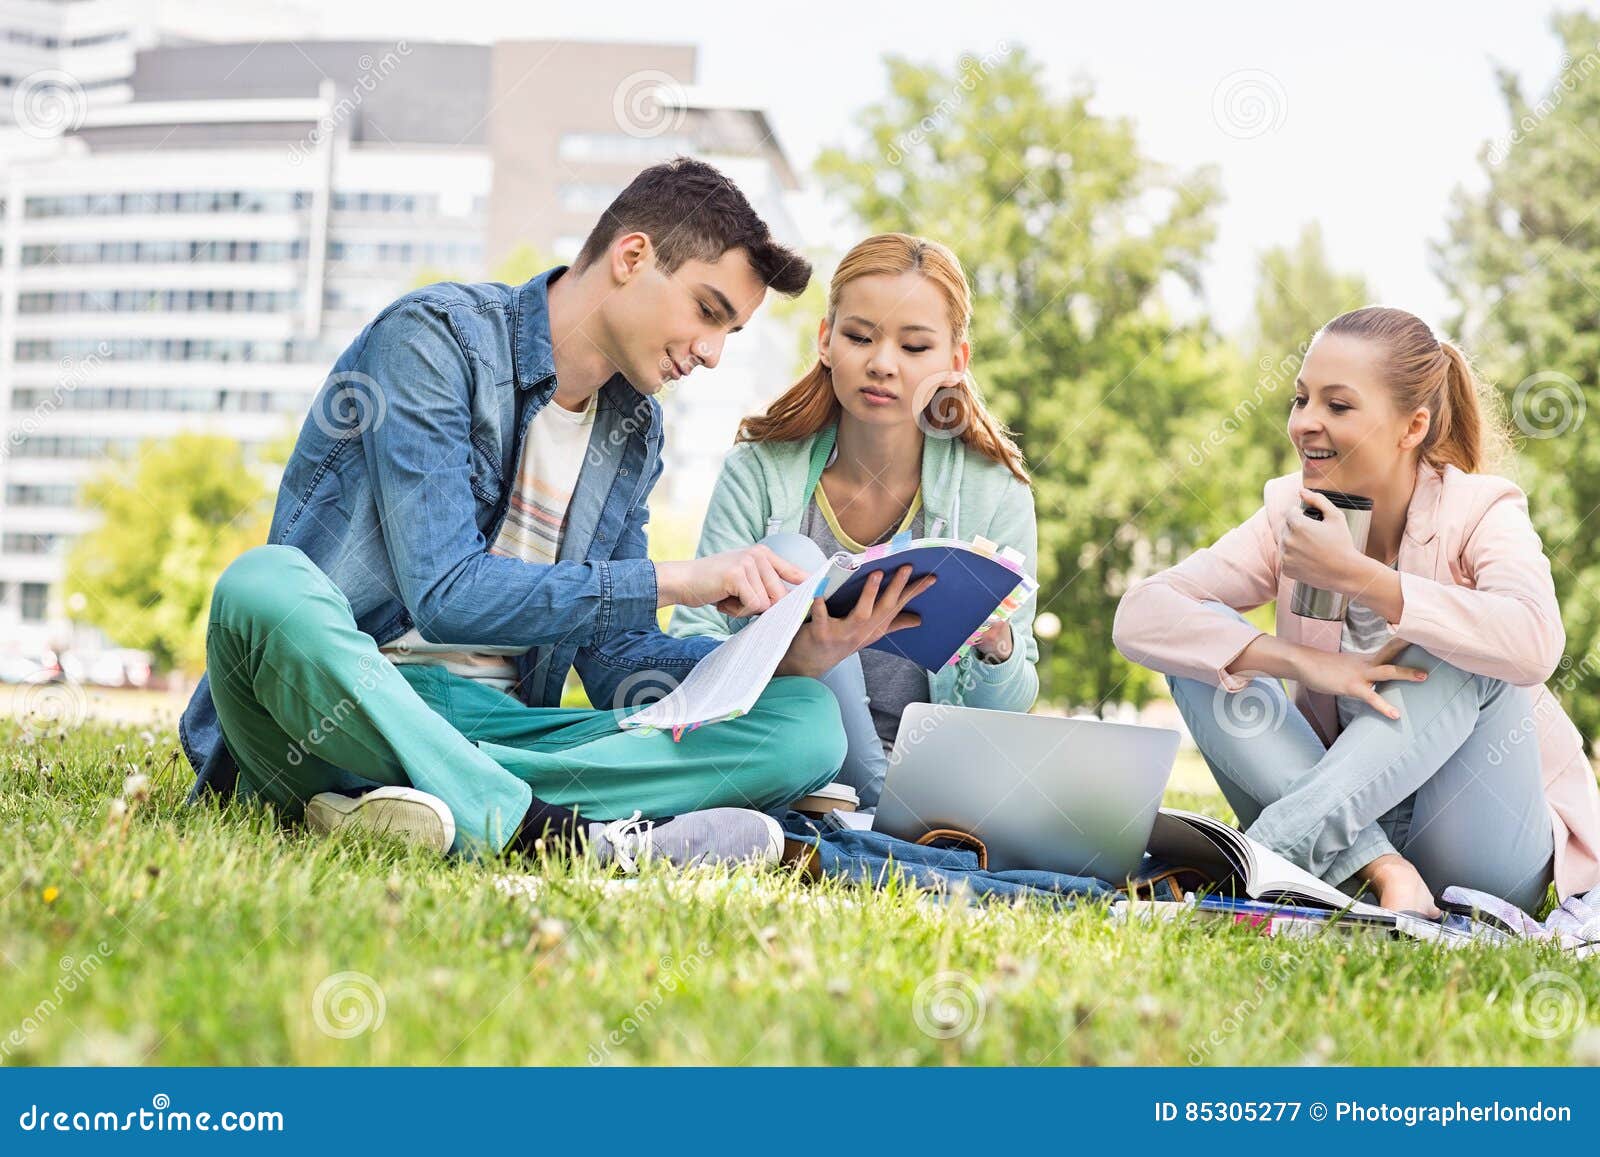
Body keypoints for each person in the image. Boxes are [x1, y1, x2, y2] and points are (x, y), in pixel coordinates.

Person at [179, 158, 926, 866]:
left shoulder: (633, 430)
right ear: (632, 257)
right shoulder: (434, 343)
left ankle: (424, 800)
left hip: (506, 729)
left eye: (729, 333)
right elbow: (447, 597)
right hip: (343, 703)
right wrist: (682, 579)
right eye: (708, 312)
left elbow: (620, 667)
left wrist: (788, 659)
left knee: (804, 723)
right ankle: (555, 830)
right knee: (262, 587)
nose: (710, 353)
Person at [1113, 305, 1600, 915]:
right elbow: (1141, 614)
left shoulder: (1482, 509)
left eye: (1337, 406)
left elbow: (1534, 642)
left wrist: (1360, 578)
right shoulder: (1293, 512)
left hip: (1477, 852)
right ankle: (1384, 874)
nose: (1304, 424)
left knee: (1454, 648)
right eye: (1301, 400)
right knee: (1200, 651)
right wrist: (1303, 664)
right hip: (1354, 847)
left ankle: (1259, 861)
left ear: (1412, 426)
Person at [673, 233, 1038, 809]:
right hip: (787, 752)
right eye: (859, 337)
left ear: (956, 362)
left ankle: (883, 808)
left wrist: (997, 645)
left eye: (915, 347)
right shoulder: (758, 471)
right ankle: (879, 808)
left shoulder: (996, 492)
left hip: (931, 780)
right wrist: (800, 656)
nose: (882, 364)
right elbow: (691, 643)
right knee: (791, 555)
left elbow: (1007, 710)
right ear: (825, 340)